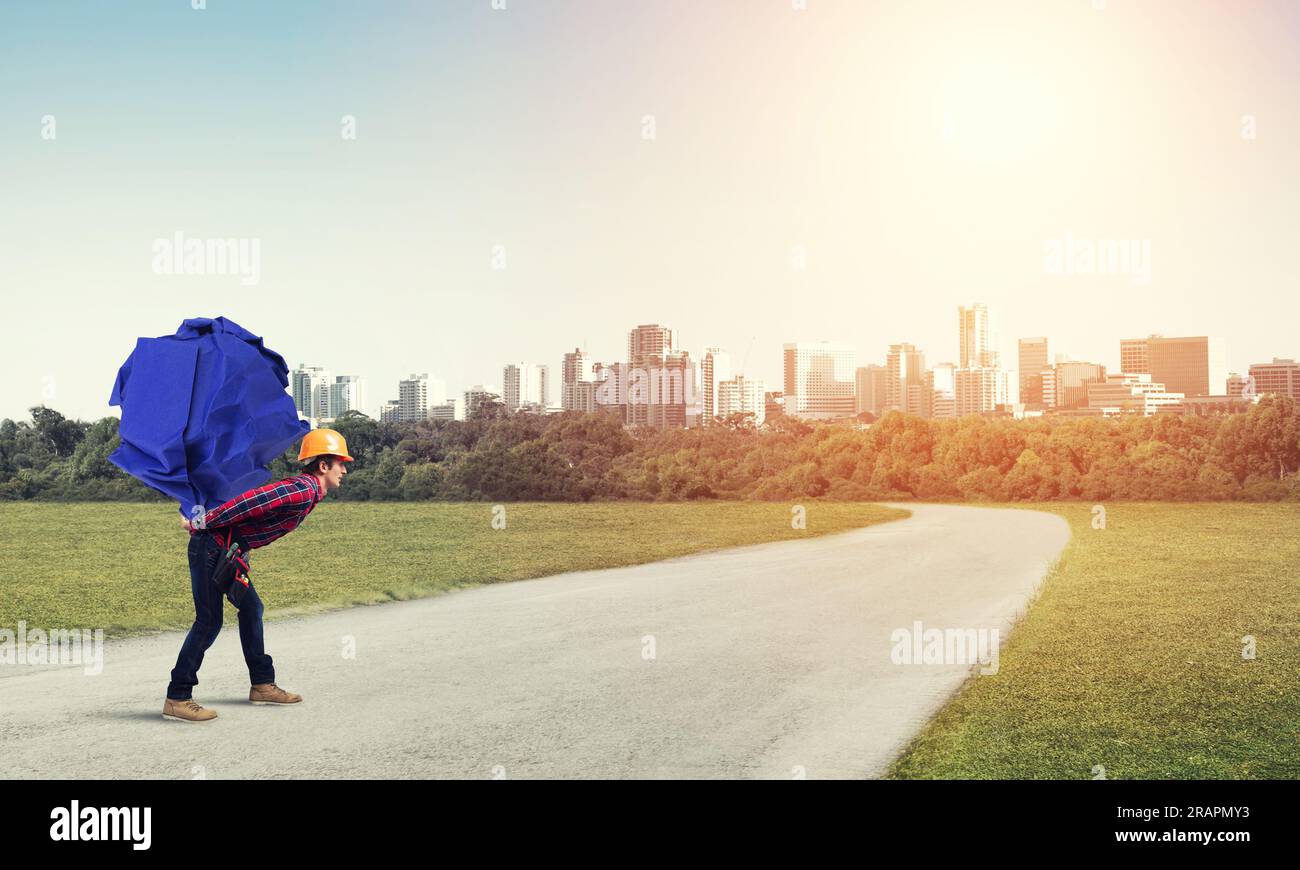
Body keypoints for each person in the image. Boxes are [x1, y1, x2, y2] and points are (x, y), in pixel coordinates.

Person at [162, 428, 353, 722]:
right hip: (210, 546)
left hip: (226, 550)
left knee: (252, 608)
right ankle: (178, 696)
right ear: (324, 465)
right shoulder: (302, 489)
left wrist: (240, 552)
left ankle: (262, 684)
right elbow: (251, 502)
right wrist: (202, 523)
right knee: (209, 621)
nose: (344, 469)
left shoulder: (310, 493)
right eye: (341, 463)